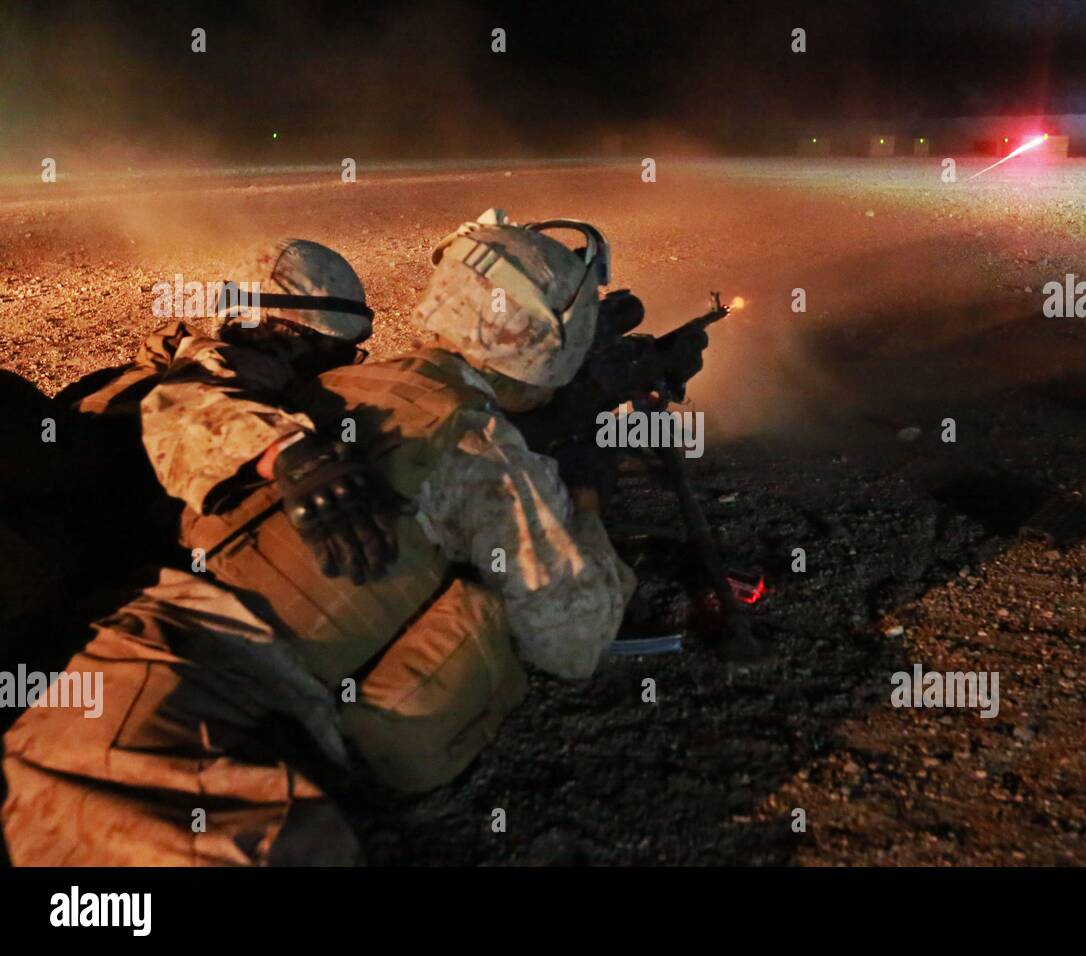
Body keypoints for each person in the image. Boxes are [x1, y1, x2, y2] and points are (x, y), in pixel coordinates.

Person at [1, 209, 636, 864]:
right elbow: (573, 641)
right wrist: (585, 490)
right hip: (132, 703)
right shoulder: (239, 385)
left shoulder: (298, 385)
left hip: (111, 665)